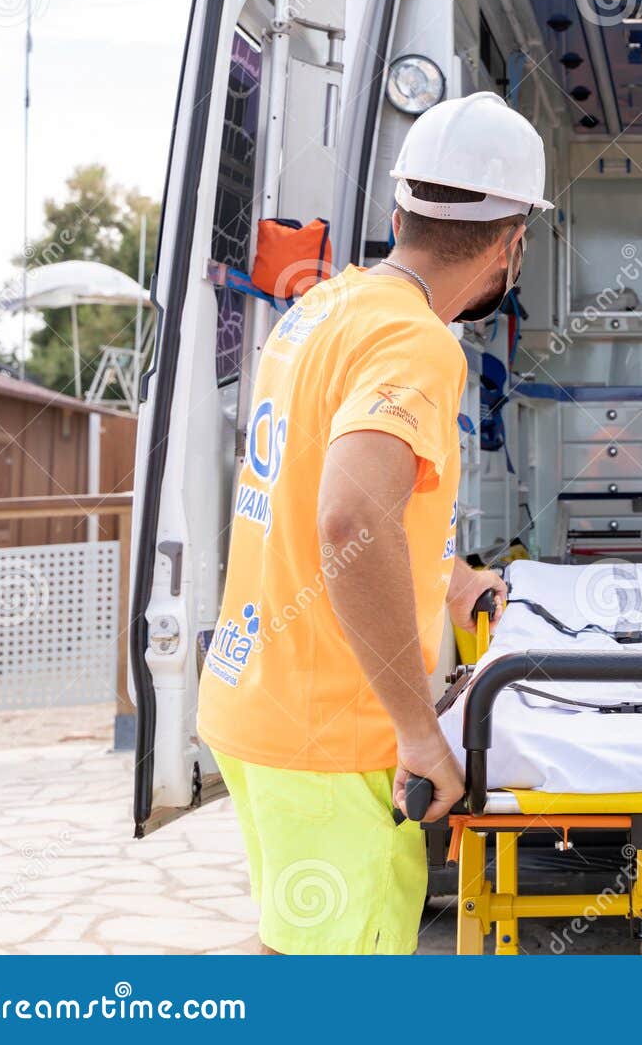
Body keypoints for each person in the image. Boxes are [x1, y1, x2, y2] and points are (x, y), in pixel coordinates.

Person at [197, 91, 550, 954]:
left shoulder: (325, 308)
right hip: (331, 732)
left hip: (256, 694)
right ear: (513, 244)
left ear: (398, 212)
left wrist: (451, 575)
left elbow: (324, 485)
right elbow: (351, 516)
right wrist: (418, 730)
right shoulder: (416, 343)